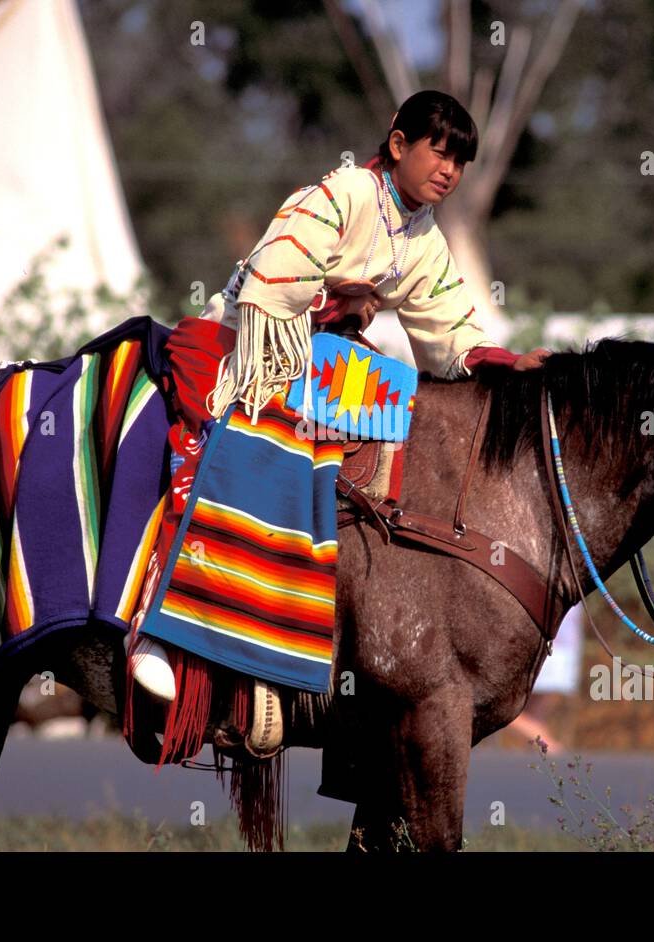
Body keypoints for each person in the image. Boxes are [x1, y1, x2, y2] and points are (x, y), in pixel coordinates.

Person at [130, 90, 551, 750]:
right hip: (247, 344)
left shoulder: (422, 237)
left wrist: (505, 362)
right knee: (250, 443)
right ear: (397, 143)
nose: (448, 170)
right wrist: (338, 306)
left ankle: (312, 640)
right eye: (438, 151)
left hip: (324, 365)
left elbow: (449, 332)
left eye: (460, 162)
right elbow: (275, 275)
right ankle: (157, 625)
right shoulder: (345, 191)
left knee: (399, 432)